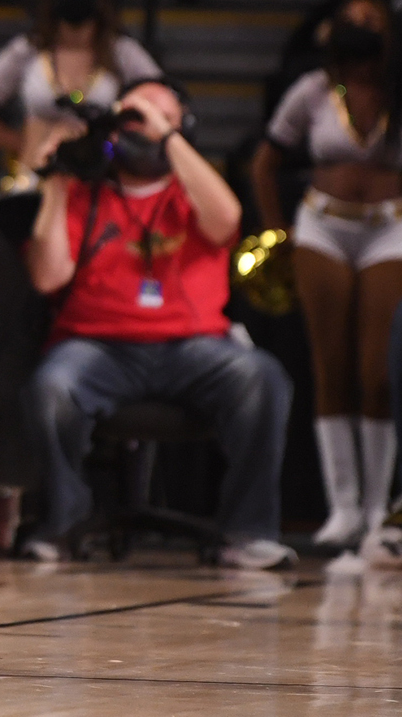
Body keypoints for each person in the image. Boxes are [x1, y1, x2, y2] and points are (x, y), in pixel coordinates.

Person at [25, 79, 295, 569]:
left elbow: (227, 219)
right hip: (98, 345)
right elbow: (48, 276)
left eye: (158, 115)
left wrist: (167, 137)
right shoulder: (87, 190)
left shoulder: (191, 189)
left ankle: (247, 533)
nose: (143, 125)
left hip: (193, 348)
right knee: (52, 386)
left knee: (262, 376)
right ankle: (62, 525)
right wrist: (55, 184)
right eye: (133, 115)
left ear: (182, 127)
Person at [251, 0, 401, 550]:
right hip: (322, 226)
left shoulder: (397, 90)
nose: (362, 30)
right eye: (353, 21)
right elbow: (266, 162)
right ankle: (343, 508)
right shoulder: (312, 91)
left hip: (391, 226)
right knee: (329, 363)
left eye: (374, 22)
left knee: (377, 372)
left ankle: (378, 508)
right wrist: (276, 231)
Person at [0, 0, 160, 184]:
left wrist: (118, 144)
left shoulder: (122, 52)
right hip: (35, 179)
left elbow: (166, 107)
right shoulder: (27, 50)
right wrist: (23, 143)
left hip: (100, 183)